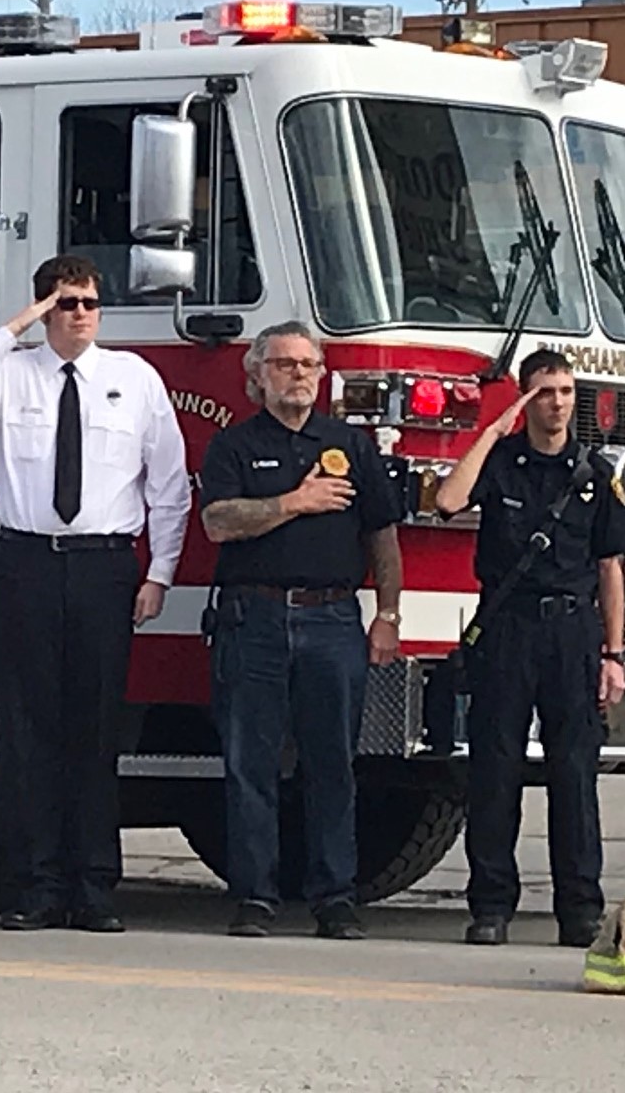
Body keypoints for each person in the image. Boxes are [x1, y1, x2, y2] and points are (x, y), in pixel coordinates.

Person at [0, 254, 191, 933]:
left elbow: (166, 483)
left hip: (104, 564)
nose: (80, 315)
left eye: (89, 303)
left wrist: (159, 573)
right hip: (27, 561)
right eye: (66, 303)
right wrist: (14, 327)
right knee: (31, 727)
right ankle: (38, 886)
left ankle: (95, 887)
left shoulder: (133, 379)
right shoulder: (11, 375)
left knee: (96, 729)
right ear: (46, 308)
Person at [198, 321, 404, 940]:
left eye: (309, 365)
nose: (298, 376)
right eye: (285, 365)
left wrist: (388, 615)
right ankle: (255, 897)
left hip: (334, 617)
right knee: (249, 764)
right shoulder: (233, 447)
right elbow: (217, 521)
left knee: (333, 764)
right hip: (253, 619)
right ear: (257, 376)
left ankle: (334, 898)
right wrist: (294, 502)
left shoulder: (350, 445)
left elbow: (383, 535)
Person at [434, 347, 625, 948]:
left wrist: (614, 654)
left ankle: (580, 911)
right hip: (508, 630)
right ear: (526, 400)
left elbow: (611, 568)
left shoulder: (595, 474)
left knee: (574, 775)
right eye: (545, 392)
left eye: (567, 392)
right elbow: (447, 502)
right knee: (495, 772)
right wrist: (493, 429)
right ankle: (491, 906)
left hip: (572, 634)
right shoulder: (501, 463)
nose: (558, 403)